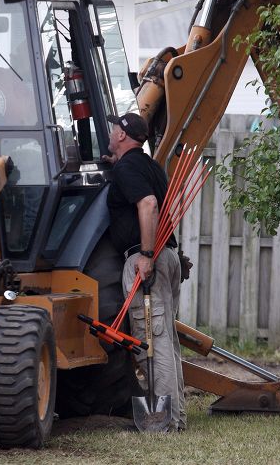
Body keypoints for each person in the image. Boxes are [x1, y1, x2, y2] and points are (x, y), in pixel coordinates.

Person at [103, 112, 186, 432]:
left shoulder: (127, 168)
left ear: (123, 136)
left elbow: (149, 205)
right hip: (168, 257)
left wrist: (146, 255)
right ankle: (175, 420)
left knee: (152, 342)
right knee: (167, 339)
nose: (110, 132)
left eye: (114, 128)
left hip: (145, 260)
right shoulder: (149, 166)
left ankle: (163, 425)